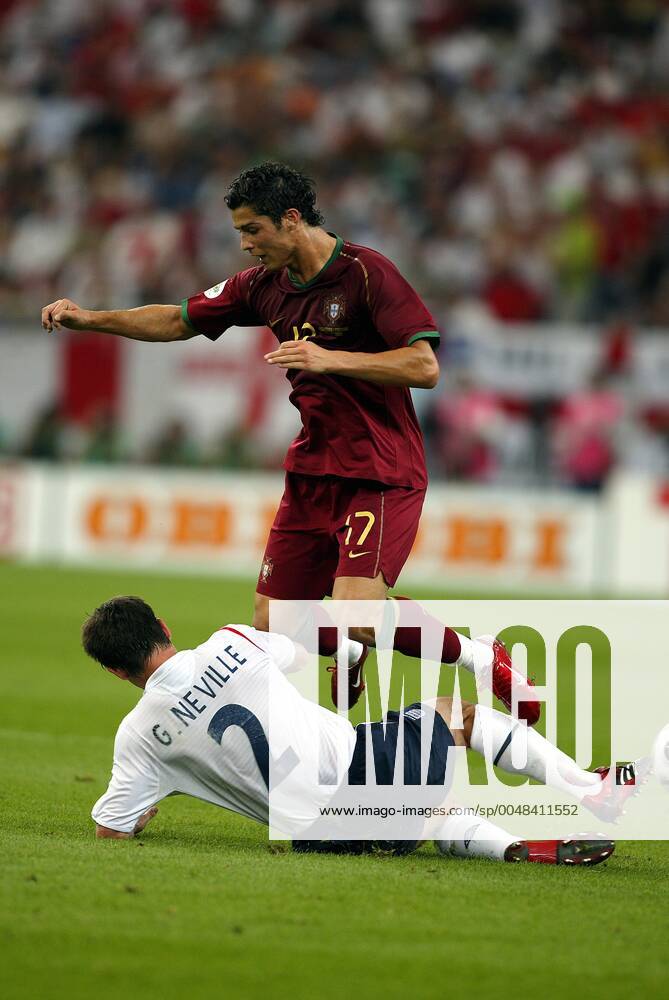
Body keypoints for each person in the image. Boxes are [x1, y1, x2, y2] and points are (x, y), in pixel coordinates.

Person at [44, 161, 538, 720]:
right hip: (313, 469)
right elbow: (179, 319)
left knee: (354, 615)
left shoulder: (367, 273)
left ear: (292, 220)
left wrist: (328, 358)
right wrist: (91, 319)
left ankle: (477, 657)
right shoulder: (261, 286)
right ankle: (352, 647)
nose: (245, 244)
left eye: (253, 230)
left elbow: (424, 366)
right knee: (274, 622)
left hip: (379, 467)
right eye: (240, 233)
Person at [81, 595, 646, 866]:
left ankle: (516, 849)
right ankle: (587, 789)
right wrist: (348, 653)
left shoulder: (137, 738)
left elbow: (112, 831)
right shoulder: (234, 641)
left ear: (113, 671)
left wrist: (145, 808)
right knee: (455, 715)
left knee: (420, 808)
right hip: (364, 767)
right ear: (165, 624)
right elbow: (303, 658)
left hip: (321, 837)